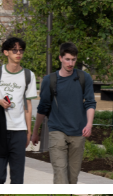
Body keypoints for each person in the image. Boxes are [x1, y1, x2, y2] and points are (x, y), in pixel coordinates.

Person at [33, 42, 97, 184]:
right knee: (61, 176)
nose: (70, 63)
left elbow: (90, 103)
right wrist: (35, 131)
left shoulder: (83, 77)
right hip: (57, 130)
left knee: (72, 178)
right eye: (67, 59)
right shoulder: (50, 80)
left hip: (78, 131)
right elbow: (42, 108)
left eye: (73, 59)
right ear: (60, 58)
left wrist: (89, 124)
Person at [0, 36, 39, 184]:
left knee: (17, 179)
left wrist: (28, 131)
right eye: (14, 50)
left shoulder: (28, 75)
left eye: (21, 50)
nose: (18, 53)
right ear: (6, 52)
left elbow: (28, 106)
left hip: (19, 132)